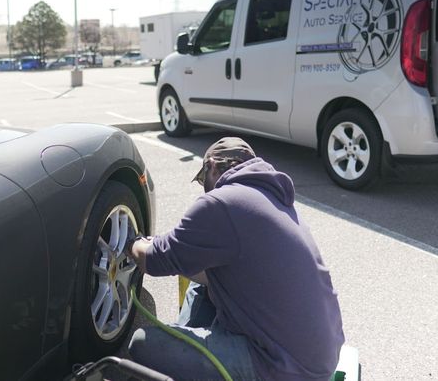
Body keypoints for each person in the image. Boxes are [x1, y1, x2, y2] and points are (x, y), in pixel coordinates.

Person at [126, 137, 344, 381]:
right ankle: (186, 347)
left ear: (211, 166)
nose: (204, 188)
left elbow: (154, 260)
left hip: (280, 368)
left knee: (143, 342)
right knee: (203, 283)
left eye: (202, 179)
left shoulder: (220, 203)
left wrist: (132, 243)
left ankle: (184, 358)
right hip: (320, 357)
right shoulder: (274, 200)